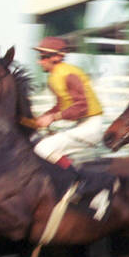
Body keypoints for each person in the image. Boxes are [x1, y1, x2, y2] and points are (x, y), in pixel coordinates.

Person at [32, 36, 105, 166]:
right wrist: (44, 117)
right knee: (39, 142)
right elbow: (61, 106)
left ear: (56, 57)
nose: (39, 62)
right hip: (81, 125)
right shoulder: (54, 77)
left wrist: (52, 118)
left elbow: (82, 106)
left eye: (43, 57)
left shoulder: (68, 74)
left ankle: (76, 180)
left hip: (91, 127)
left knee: (43, 148)